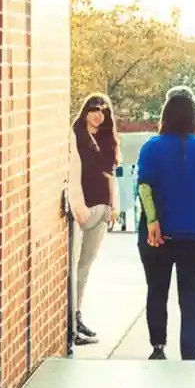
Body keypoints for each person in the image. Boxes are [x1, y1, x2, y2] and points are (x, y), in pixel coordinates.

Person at [136, 87, 195, 360]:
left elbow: (144, 187)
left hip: (157, 235)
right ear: (193, 117)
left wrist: (153, 220)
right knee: (191, 300)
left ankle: (158, 347)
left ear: (165, 115)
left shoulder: (151, 147)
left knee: (157, 291)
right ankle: (190, 357)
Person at [68, 93, 120, 346]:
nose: (99, 114)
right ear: (85, 111)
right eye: (94, 109)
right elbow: (71, 174)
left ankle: (77, 316)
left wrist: (113, 206)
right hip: (81, 210)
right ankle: (69, 321)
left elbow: (110, 175)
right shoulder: (75, 135)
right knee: (73, 267)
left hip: (101, 209)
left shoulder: (108, 139)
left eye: (104, 110)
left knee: (85, 267)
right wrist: (81, 209)